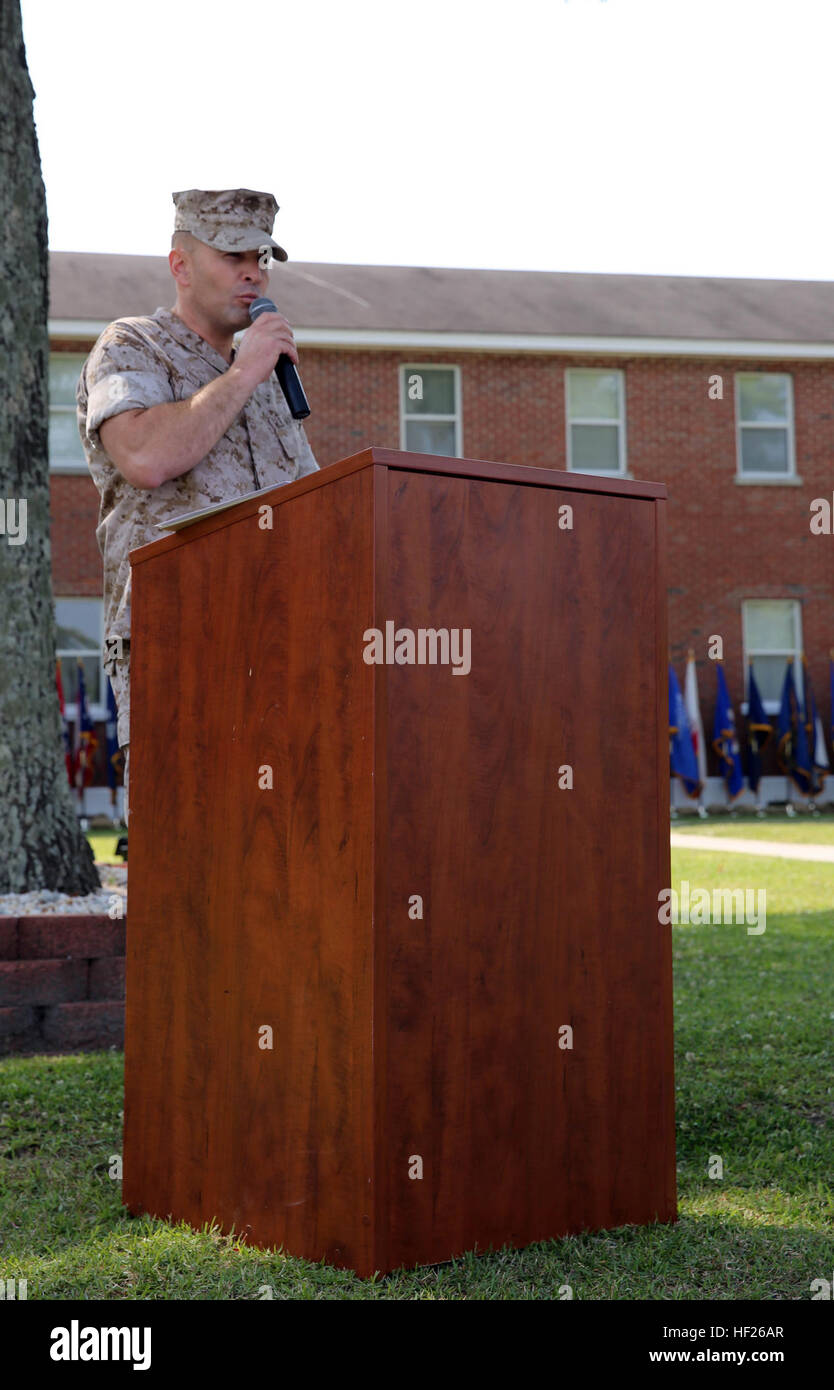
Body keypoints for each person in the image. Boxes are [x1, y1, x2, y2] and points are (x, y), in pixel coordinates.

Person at [76, 188, 319, 823]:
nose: (254, 272)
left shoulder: (267, 383)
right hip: (178, 646)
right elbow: (146, 458)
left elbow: (319, 511)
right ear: (181, 265)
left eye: (262, 257)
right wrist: (242, 376)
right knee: (189, 852)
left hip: (281, 651)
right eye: (233, 254)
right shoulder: (133, 346)